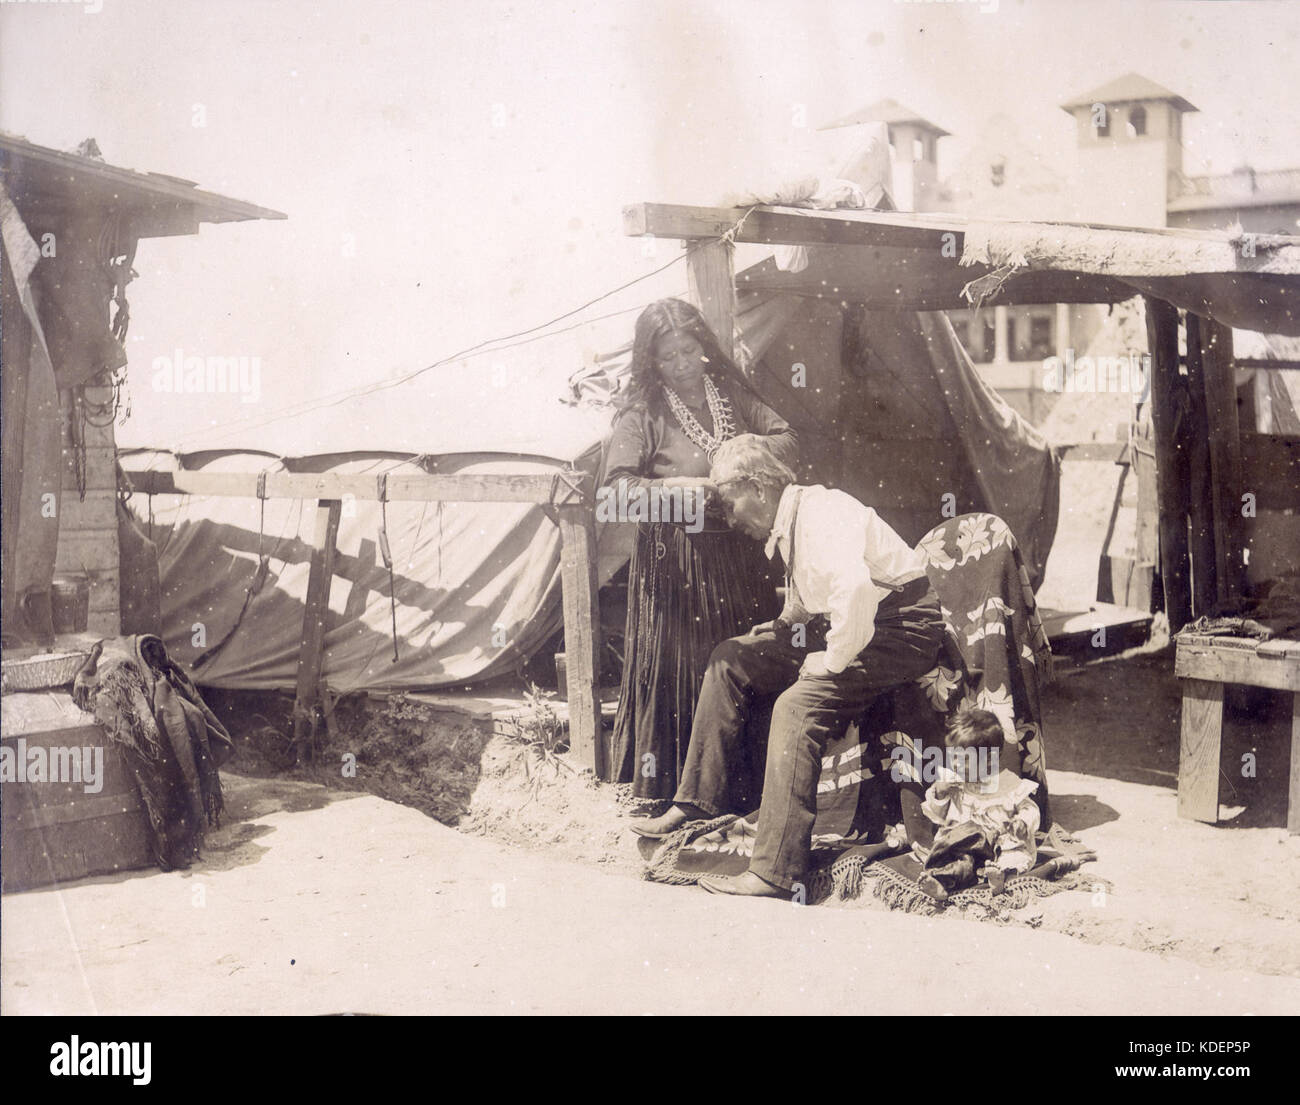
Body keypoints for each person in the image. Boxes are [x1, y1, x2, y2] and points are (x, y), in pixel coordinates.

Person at [629, 433, 945, 898]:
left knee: (797, 707)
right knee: (731, 657)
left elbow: (856, 593)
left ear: (758, 487)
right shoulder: (792, 517)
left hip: (901, 627)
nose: (730, 518)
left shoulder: (822, 515)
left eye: (731, 503)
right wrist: (785, 622)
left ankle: (774, 871)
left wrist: (830, 661)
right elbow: (817, 585)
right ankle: (698, 802)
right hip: (858, 620)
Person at [600, 299, 797, 800]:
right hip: (676, 568)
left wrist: (737, 462)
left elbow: (789, 442)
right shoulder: (643, 412)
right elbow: (614, 493)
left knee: (738, 663)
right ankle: (677, 793)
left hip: (739, 560)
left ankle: (740, 791)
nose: (683, 363)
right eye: (669, 357)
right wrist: (685, 488)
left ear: (704, 348)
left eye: (689, 350)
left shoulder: (731, 395)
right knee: (689, 670)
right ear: (652, 362)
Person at [916, 706, 1040, 901]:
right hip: (966, 848)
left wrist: (1022, 822)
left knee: (1014, 857)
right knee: (956, 863)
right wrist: (940, 794)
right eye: (952, 756)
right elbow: (936, 815)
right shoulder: (955, 783)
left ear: (989, 760)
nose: (955, 764)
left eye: (963, 759)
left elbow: (1029, 808)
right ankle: (940, 885)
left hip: (1000, 846)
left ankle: (1000, 878)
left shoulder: (1009, 784)